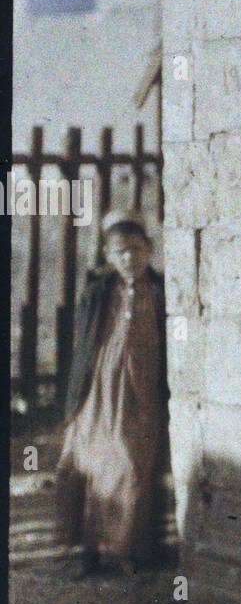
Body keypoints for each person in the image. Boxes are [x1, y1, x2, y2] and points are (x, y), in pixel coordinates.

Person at [56, 209, 169, 578]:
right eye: (120, 251)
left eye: (136, 249)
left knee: (132, 468)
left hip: (143, 392)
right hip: (100, 392)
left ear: (149, 249)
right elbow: (84, 344)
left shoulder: (160, 292)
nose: (129, 258)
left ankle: (130, 550)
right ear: (108, 255)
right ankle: (91, 550)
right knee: (94, 467)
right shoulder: (99, 292)